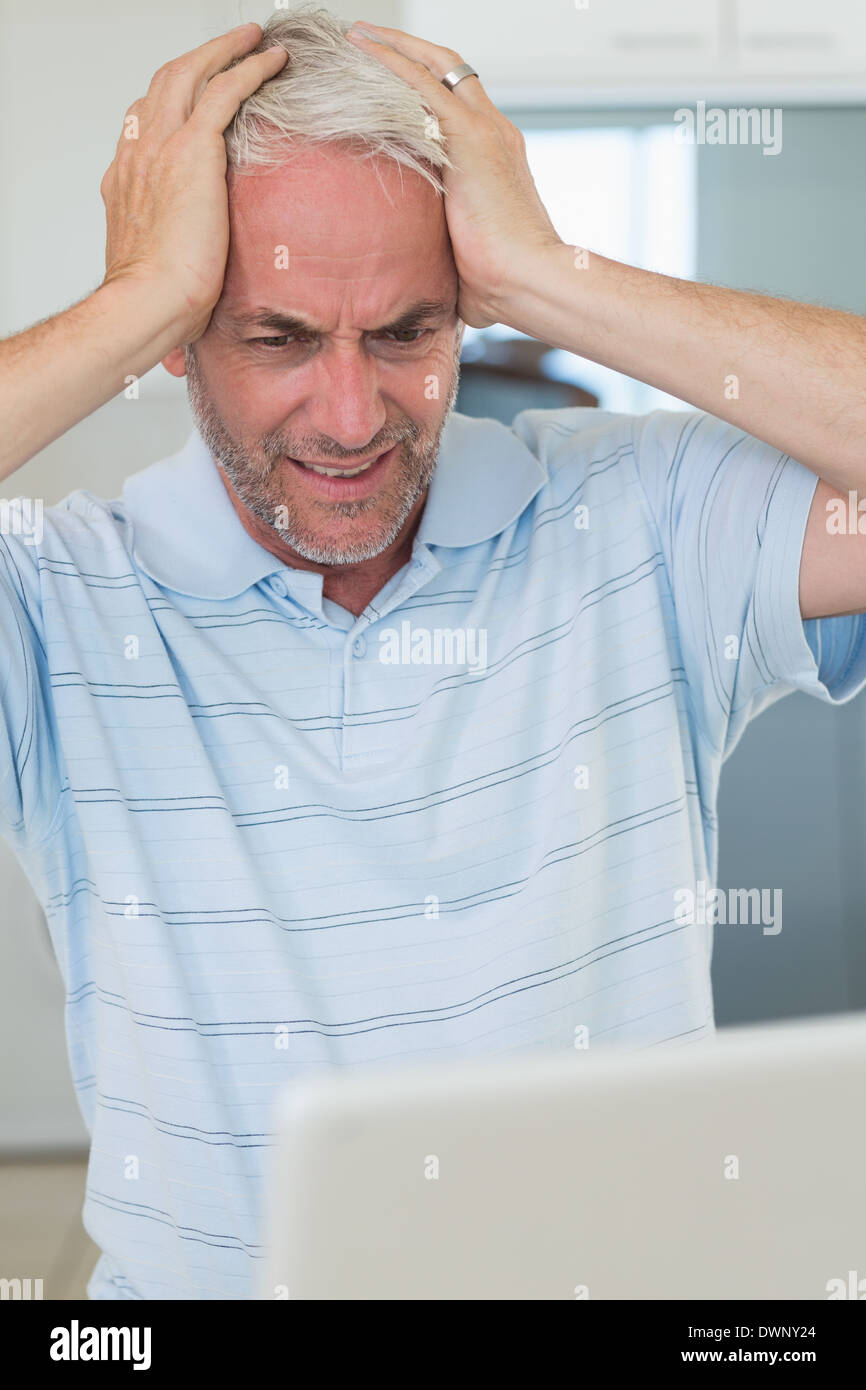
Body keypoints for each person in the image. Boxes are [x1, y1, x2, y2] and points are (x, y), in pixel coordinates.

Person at [2, 4, 865, 1300]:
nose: (350, 418)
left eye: (407, 331)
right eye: (277, 336)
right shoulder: (58, 595)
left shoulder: (639, 521)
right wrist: (131, 302)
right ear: (178, 338)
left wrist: (550, 275)